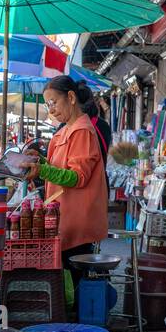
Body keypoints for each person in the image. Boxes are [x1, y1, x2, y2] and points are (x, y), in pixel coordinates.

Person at [25, 75, 108, 274]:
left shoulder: (82, 131)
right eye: (47, 105)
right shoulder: (63, 132)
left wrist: (43, 170)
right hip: (63, 215)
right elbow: (58, 166)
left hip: (78, 220)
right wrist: (40, 161)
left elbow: (77, 177)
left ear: (71, 97)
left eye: (53, 102)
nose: (51, 109)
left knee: (75, 279)